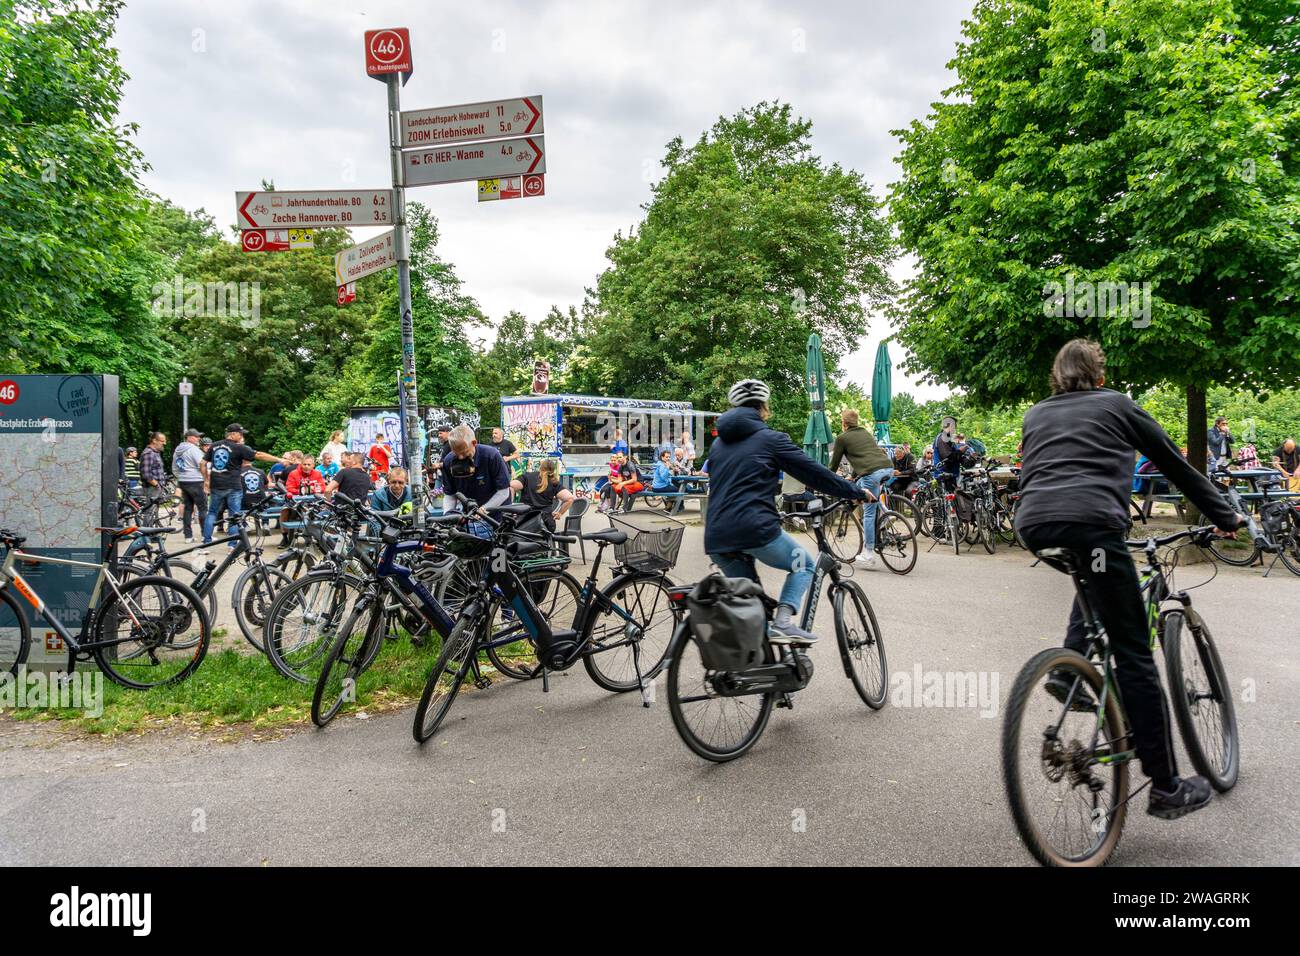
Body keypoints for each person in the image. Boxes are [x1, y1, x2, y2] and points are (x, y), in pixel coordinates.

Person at [1014, 339, 1245, 821]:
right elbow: (1173, 463)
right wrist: (1225, 514)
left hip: (1035, 527)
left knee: (1092, 576)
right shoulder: (1117, 404)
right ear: (1099, 376)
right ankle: (1166, 787)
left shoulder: (1037, 414)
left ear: (1057, 378)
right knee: (1134, 653)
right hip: (1095, 527)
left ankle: (1067, 668)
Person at [706, 379, 868, 643]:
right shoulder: (771, 440)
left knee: (754, 606)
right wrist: (857, 492)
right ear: (763, 408)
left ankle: (754, 673)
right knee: (803, 565)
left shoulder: (717, 445)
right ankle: (783, 622)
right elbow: (815, 475)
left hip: (717, 537)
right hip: (754, 530)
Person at [202, 424, 287, 550]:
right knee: (234, 515)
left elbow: (203, 463)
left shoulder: (214, 446)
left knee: (212, 513)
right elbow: (259, 455)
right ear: (233, 434)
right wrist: (279, 460)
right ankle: (232, 545)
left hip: (216, 485)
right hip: (233, 486)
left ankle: (206, 542)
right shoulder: (238, 447)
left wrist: (206, 481)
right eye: (240, 434)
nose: (242, 436)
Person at [829, 409, 893, 569]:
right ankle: (885, 512)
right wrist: (852, 475)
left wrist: (827, 478)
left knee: (869, 513)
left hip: (871, 474)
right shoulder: (865, 432)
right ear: (856, 422)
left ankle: (869, 553)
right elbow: (865, 456)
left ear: (843, 423)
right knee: (860, 488)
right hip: (887, 468)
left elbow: (834, 465)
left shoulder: (842, 438)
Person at [441, 424, 512, 537]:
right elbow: (450, 494)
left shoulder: (491, 456)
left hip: (497, 517)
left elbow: (504, 492)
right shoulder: (449, 461)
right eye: (456, 453)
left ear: (474, 443)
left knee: (497, 551)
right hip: (470, 517)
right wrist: (448, 516)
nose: (460, 457)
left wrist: (483, 510)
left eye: (464, 452)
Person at [511, 458, 574, 531]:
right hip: (546, 523)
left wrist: (511, 506)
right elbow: (570, 498)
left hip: (525, 521)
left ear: (540, 467)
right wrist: (560, 513)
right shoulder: (554, 482)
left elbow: (511, 486)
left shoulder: (527, 476)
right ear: (553, 470)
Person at [172, 429, 208, 543]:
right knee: (203, 508)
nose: (198, 439)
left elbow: (174, 468)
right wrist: (206, 479)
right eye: (196, 437)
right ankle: (205, 535)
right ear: (189, 437)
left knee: (188, 508)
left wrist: (181, 476)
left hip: (183, 481)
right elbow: (202, 464)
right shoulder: (193, 449)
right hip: (196, 481)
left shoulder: (177, 450)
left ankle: (188, 536)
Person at [139, 432, 168, 503]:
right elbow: (146, 474)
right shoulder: (149, 453)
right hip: (151, 488)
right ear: (154, 440)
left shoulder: (155, 453)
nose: (164, 443)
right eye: (162, 441)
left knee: (154, 512)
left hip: (155, 488)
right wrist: (157, 485)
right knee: (149, 512)